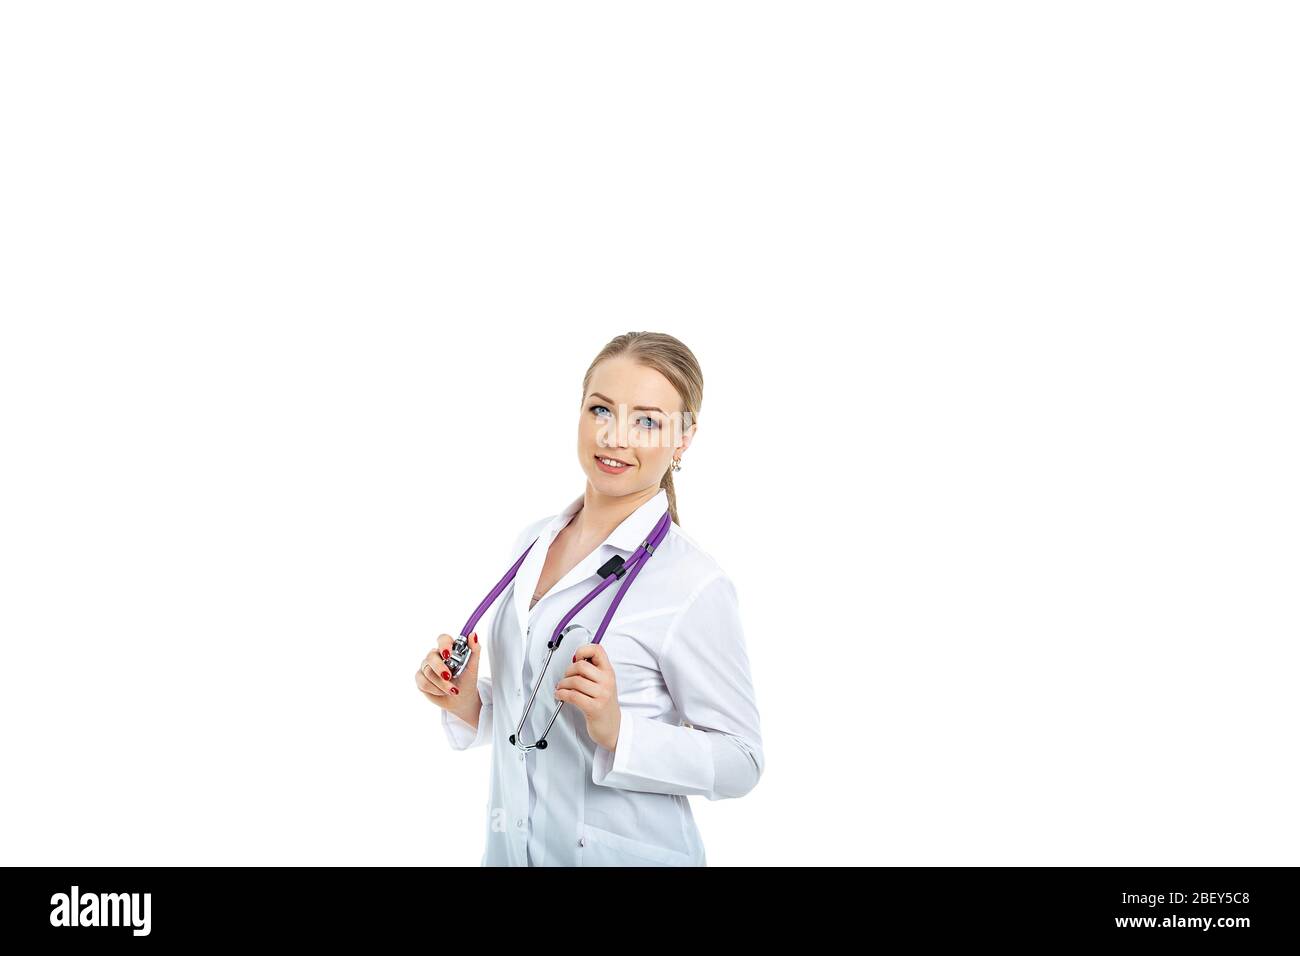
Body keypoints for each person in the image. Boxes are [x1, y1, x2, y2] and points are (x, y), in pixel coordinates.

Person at [416, 331, 764, 865]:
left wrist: (617, 730)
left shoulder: (693, 583)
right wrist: (467, 700)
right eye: (601, 409)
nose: (615, 436)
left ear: (684, 438)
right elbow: (532, 710)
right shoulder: (532, 542)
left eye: (647, 420)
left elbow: (743, 761)